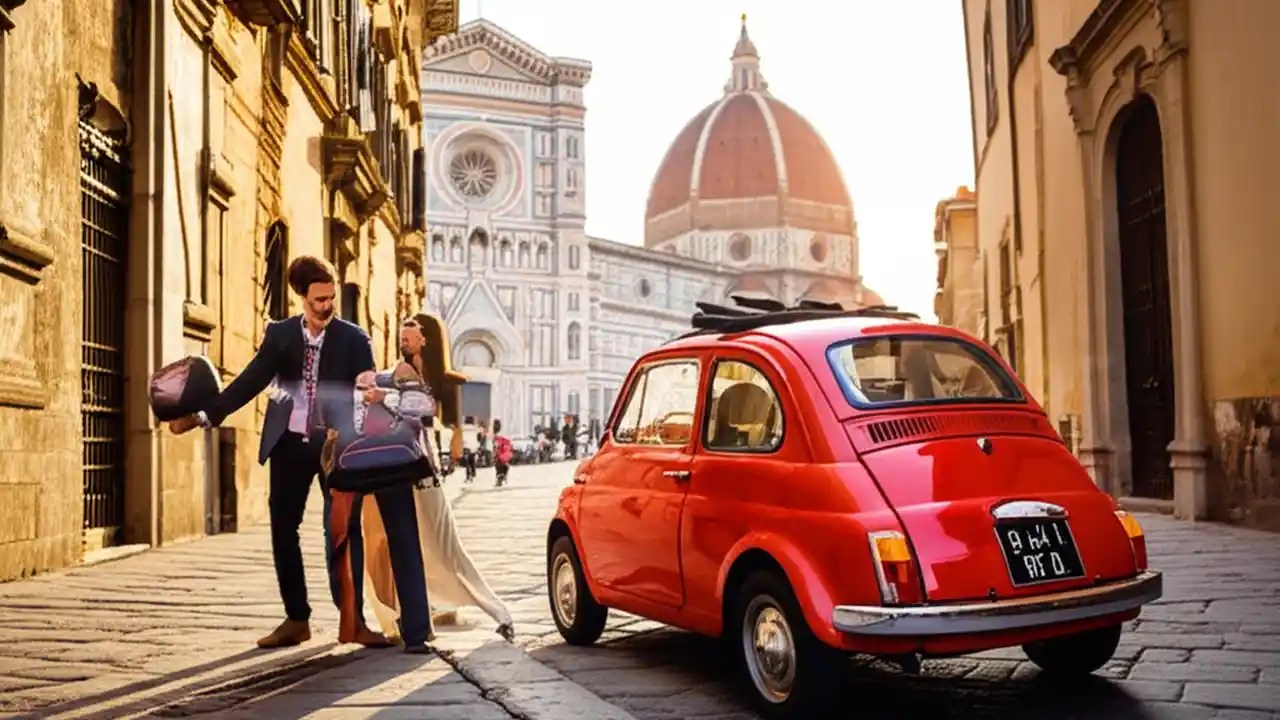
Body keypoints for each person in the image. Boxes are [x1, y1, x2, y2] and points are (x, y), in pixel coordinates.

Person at [167, 255, 390, 650]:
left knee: (340, 531)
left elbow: (365, 393)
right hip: (288, 445)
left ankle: (352, 620)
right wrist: (202, 416)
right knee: (283, 531)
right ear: (302, 298)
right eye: (317, 299)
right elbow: (248, 383)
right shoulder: (281, 336)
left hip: (336, 448)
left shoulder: (355, 339)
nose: (326, 306)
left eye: (331, 297)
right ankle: (297, 618)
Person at [360, 315, 515, 643]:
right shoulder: (395, 372)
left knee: (444, 547)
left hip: (422, 473)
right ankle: (405, 617)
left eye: (411, 336)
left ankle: (495, 610)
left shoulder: (442, 380)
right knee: (390, 544)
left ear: (427, 340)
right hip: (395, 469)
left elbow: (441, 429)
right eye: (402, 336)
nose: (404, 341)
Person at [321, 364, 434, 653]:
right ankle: (358, 622)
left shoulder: (392, 376)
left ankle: (416, 630)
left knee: (400, 539)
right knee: (346, 537)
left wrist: (385, 395)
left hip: (381, 463)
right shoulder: (337, 377)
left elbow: (425, 410)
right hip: (363, 462)